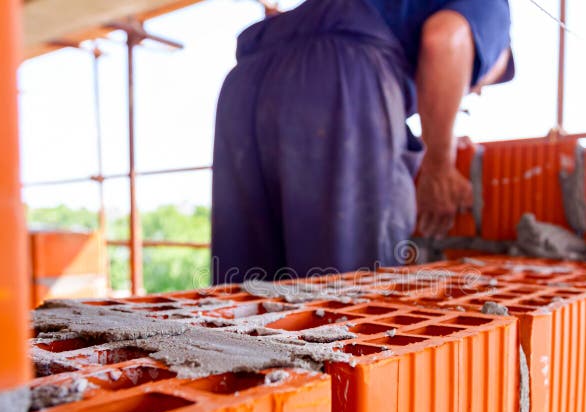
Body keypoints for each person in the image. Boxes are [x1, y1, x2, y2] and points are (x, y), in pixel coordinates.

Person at [212, 0, 513, 283]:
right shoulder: (494, 21)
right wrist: (438, 165)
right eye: (473, 87)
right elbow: (447, 40)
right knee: (344, 300)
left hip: (247, 81)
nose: (468, 90)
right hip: (337, 78)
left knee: (244, 291)